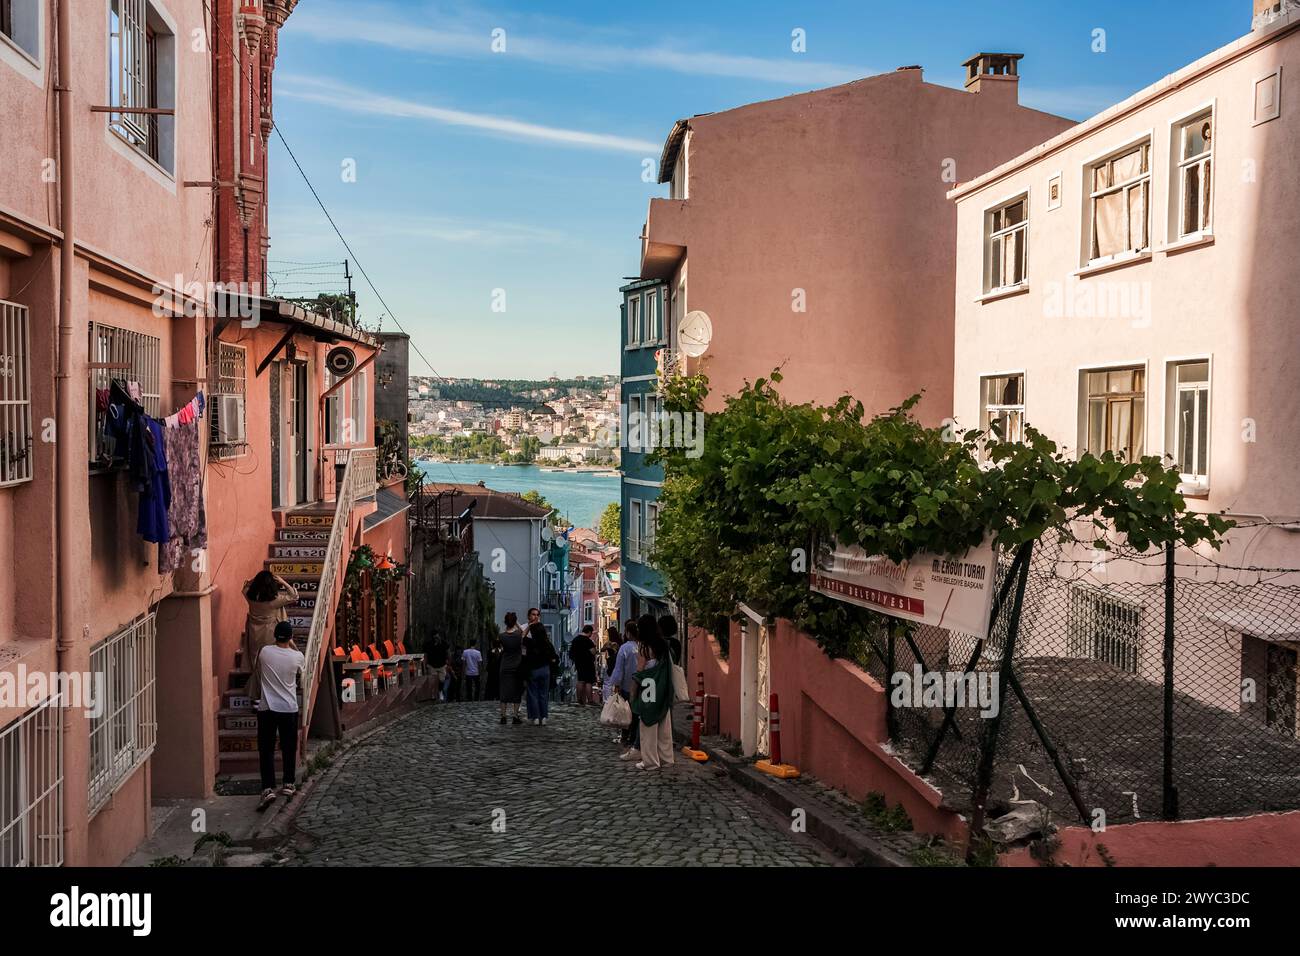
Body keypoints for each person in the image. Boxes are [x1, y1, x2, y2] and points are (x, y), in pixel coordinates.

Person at [254, 621, 305, 810]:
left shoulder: (265, 652)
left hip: (267, 708)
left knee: (266, 749)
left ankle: (267, 788)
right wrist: (291, 644)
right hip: (288, 708)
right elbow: (301, 666)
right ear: (290, 637)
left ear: (275, 636)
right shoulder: (297, 656)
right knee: (289, 746)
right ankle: (289, 783)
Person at [241, 571, 299, 700]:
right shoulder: (274, 601)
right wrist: (283, 582)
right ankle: (267, 693)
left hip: (254, 633)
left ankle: (257, 695)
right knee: (269, 663)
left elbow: (244, 587)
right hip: (269, 632)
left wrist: (253, 580)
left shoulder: (250, 597)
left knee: (257, 662)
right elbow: (294, 596)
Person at [632, 616, 675, 771]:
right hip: (663, 687)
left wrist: (633, 694)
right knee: (664, 725)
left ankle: (650, 761)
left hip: (648, 689)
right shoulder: (663, 645)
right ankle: (667, 758)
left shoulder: (644, 647)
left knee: (647, 725)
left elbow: (640, 671)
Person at [609, 619, 642, 758]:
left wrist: (616, 683)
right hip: (640, 684)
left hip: (627, 685)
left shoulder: (625, 648)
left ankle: (626, 735)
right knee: (636, 713)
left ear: (628, 633)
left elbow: (619, 668)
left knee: (626, 712)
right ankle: (634, 737)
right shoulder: (642, 647)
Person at [522, 621, 559, 725]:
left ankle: (535, 717)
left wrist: (529, 626)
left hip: (533, 670)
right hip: (545, 670)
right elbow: (554, 657)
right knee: (543, 695)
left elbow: (522, 636)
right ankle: (543, 717)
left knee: (533, 694)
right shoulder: (547, 643)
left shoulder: (530, 642)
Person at [497, 613, 525, 725]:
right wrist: (517, 624)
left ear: (505, 622)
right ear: (514, 622)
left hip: (505, 666)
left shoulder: (501, 636)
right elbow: (523, 632)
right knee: (517, 691)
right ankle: (515, 716)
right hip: (517, 666)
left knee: (503, 691)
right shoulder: (518, 635)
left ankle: (503, 716)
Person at [569, 624, 597, 705]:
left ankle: (579, 699)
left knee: (580, 680)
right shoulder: (588, 641)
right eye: (591, 633)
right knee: (588, 682)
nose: (591, 635)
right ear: (589, 632)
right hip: (588, 663)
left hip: (579, 663)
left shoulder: (575, 640)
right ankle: (590, 700)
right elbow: (593, 652)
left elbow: (571, 653)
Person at [427, 635, 449, 701]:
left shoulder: (443, 645)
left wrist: (446, 661)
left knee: (441, 680)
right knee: (433, 681)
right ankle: (433, 694)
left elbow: (447, 650)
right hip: (432, 665)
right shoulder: (430, 645)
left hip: (441, 665)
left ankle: (440, 692)